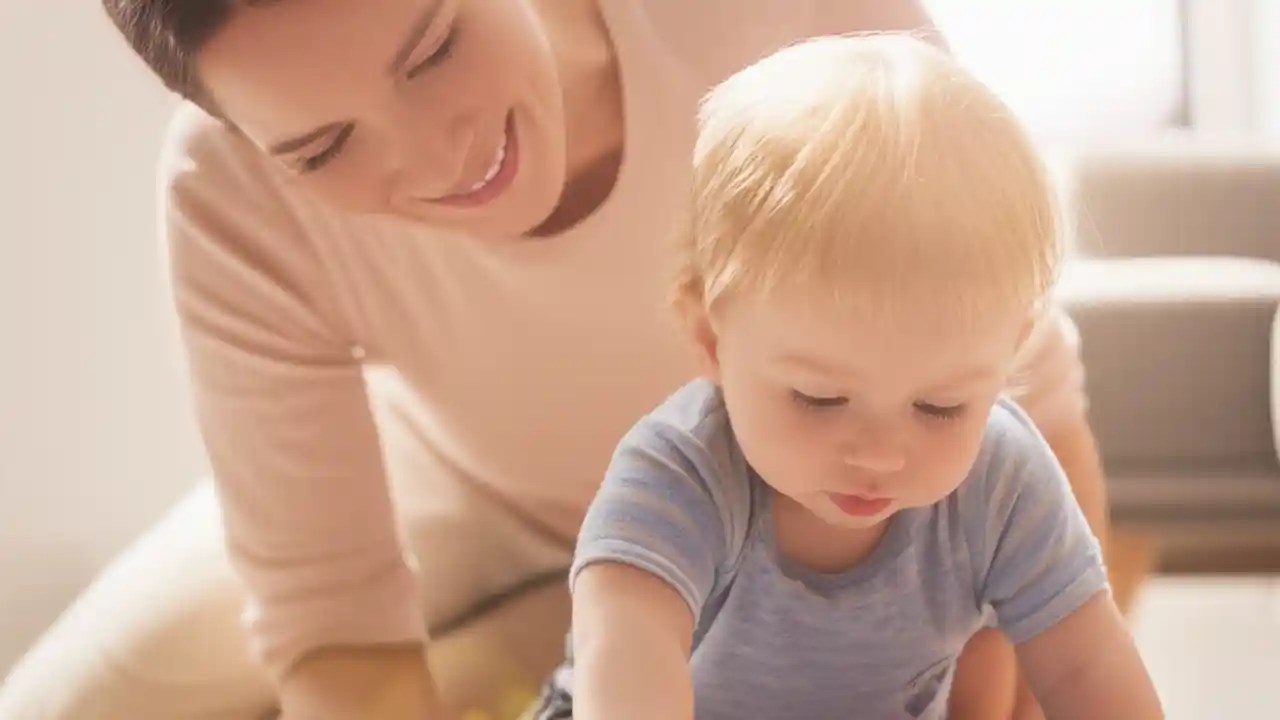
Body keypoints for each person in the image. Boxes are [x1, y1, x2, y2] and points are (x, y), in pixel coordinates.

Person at [0, 2, 1131, 719]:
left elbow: (1015, 403)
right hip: (451, 483)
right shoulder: (228, 190)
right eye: (323, 147)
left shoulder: (800, 27)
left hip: (822, 506)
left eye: (433, 45)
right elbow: (333, 624)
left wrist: (988, 679)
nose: (436, 155)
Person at [535, 33, 1162, 720]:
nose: (879, 454)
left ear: (1008, 357)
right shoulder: (678, 477)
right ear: (713, 339)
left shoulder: (1004, 479)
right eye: (819, 398)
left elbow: (1086, 663)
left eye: (940, 406)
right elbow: (627, 660)